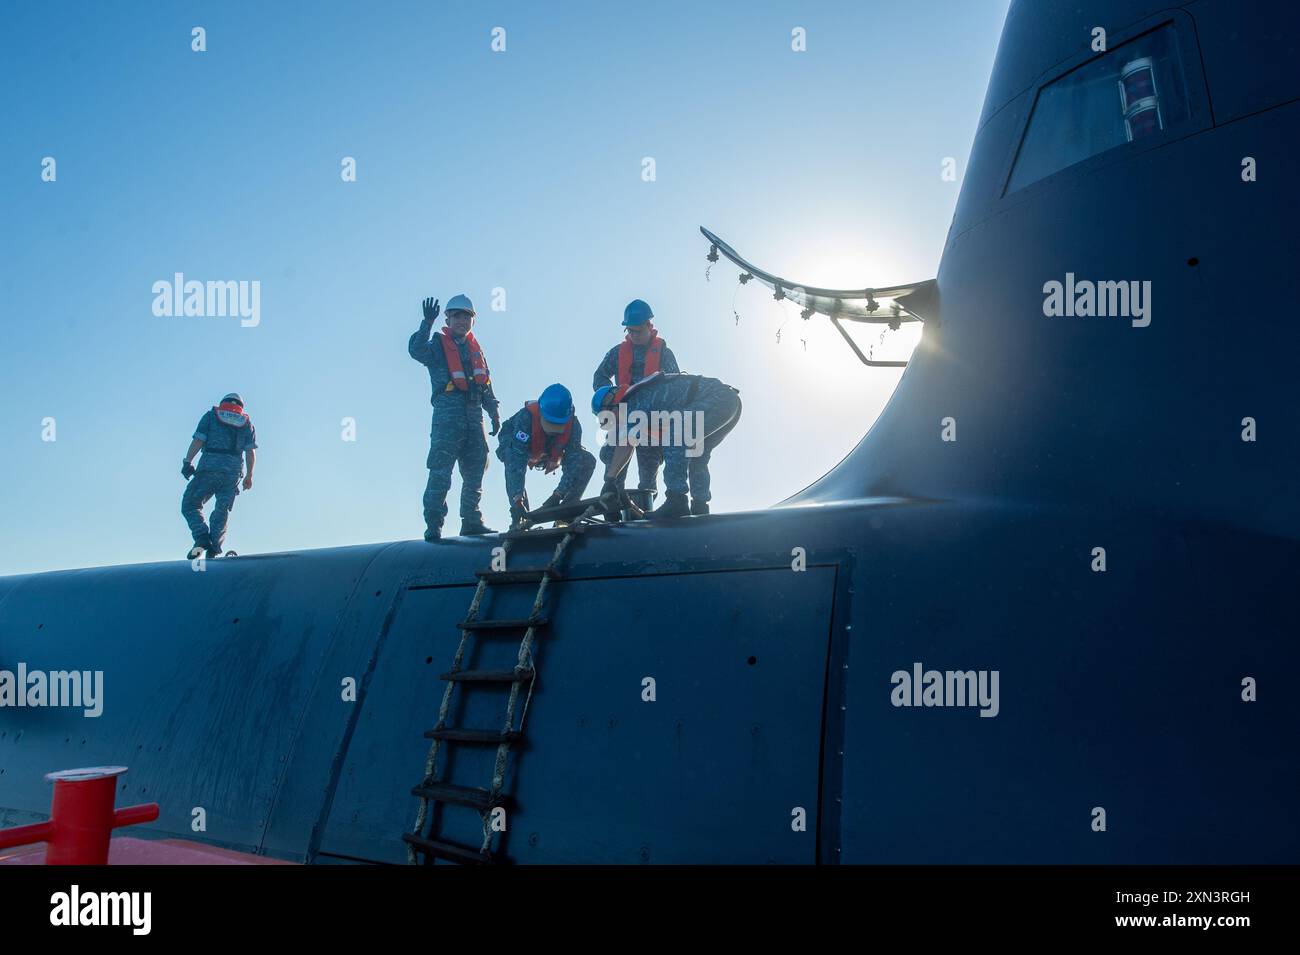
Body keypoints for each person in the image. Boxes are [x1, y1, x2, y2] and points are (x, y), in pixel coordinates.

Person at [408, 294, 500, 540]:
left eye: (466, 316)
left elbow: (486, 384)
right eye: (457, 316)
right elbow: (416, 350)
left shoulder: (475, 350)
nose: (462, 321)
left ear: (472, 321)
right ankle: (434, 524)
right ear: (448, 319)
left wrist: (493, 412)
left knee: (477, 467)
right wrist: (427, 323)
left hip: (474, 415)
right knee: (441, 469)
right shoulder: (437, 346)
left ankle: (471, 519)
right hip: (448, 415)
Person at [593, 372, 740, 519]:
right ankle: (700, 507)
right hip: (729, 402)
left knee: (676, 435)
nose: (613, 425)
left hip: (716, 399)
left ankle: (676, 500)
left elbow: (626, 443)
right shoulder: (639, 400)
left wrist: (610, 480)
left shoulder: (632, 401)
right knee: (697, 454)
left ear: (610, 403)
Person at [591, 299, 679, 496]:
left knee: (648, 478)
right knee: (613, 472)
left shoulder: (664, 353)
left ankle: (646, 514)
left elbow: (676, 388)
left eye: (637, 331)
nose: (633, 335)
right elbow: (599, 376)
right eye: (629, 331)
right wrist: (611, 395)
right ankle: (611, 507)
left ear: (649, 326)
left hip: (652, 424)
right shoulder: (617, 353)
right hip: (622, 419)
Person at [496, 384, 596, 526]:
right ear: (541, 413)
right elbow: (515, 462)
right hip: (521, 447)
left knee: (587, 460)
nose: (553, 430)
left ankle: (566, 513)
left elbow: (574, 462)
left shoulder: (573, 426)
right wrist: (517, 499)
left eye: (557, 426)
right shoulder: (525, 418)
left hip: (550, 452)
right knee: (511, 455)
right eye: (550, 424)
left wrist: (558, 494)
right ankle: (520, 518)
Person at [181, 393, 257, 559]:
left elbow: (199, 441)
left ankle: (201, 538)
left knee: (190, 504)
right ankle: (214, 549)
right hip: (232, 474)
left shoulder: (211, 417)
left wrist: (187, 462)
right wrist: (249, 476)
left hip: (209, 468)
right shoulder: (246, 423)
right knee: (222, 510)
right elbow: (250, 452)